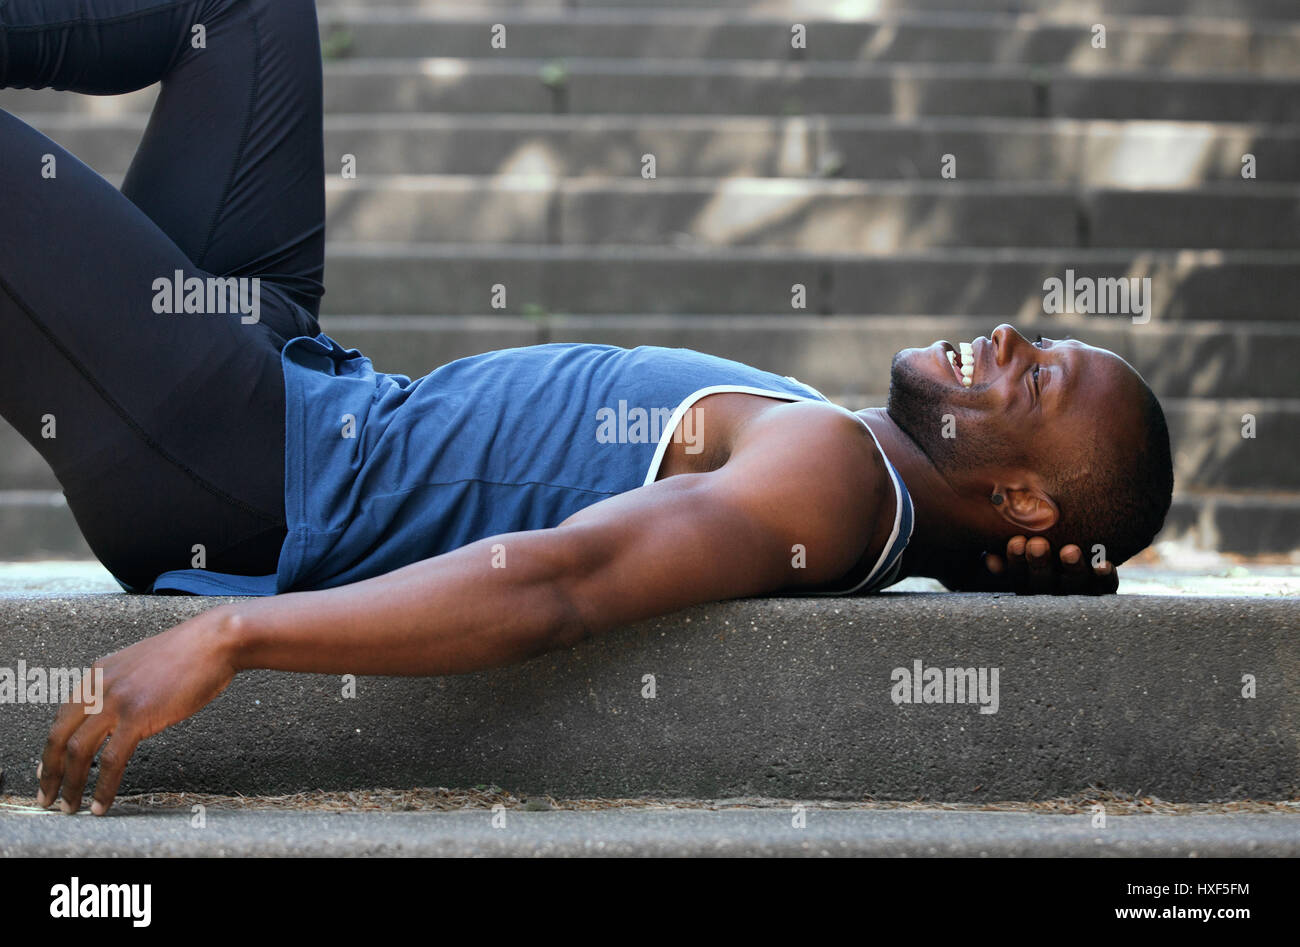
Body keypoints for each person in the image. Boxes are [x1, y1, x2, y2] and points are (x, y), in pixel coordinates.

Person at [1, 0, 1172, 815]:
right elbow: (947, 522)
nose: (1015, 338)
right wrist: (997, 561)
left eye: (1044, 376)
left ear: (1020, 487)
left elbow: (560, 585)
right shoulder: (879, 484)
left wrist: (231, 635)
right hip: (294, 379)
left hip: (247, 463)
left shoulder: (829, 479)